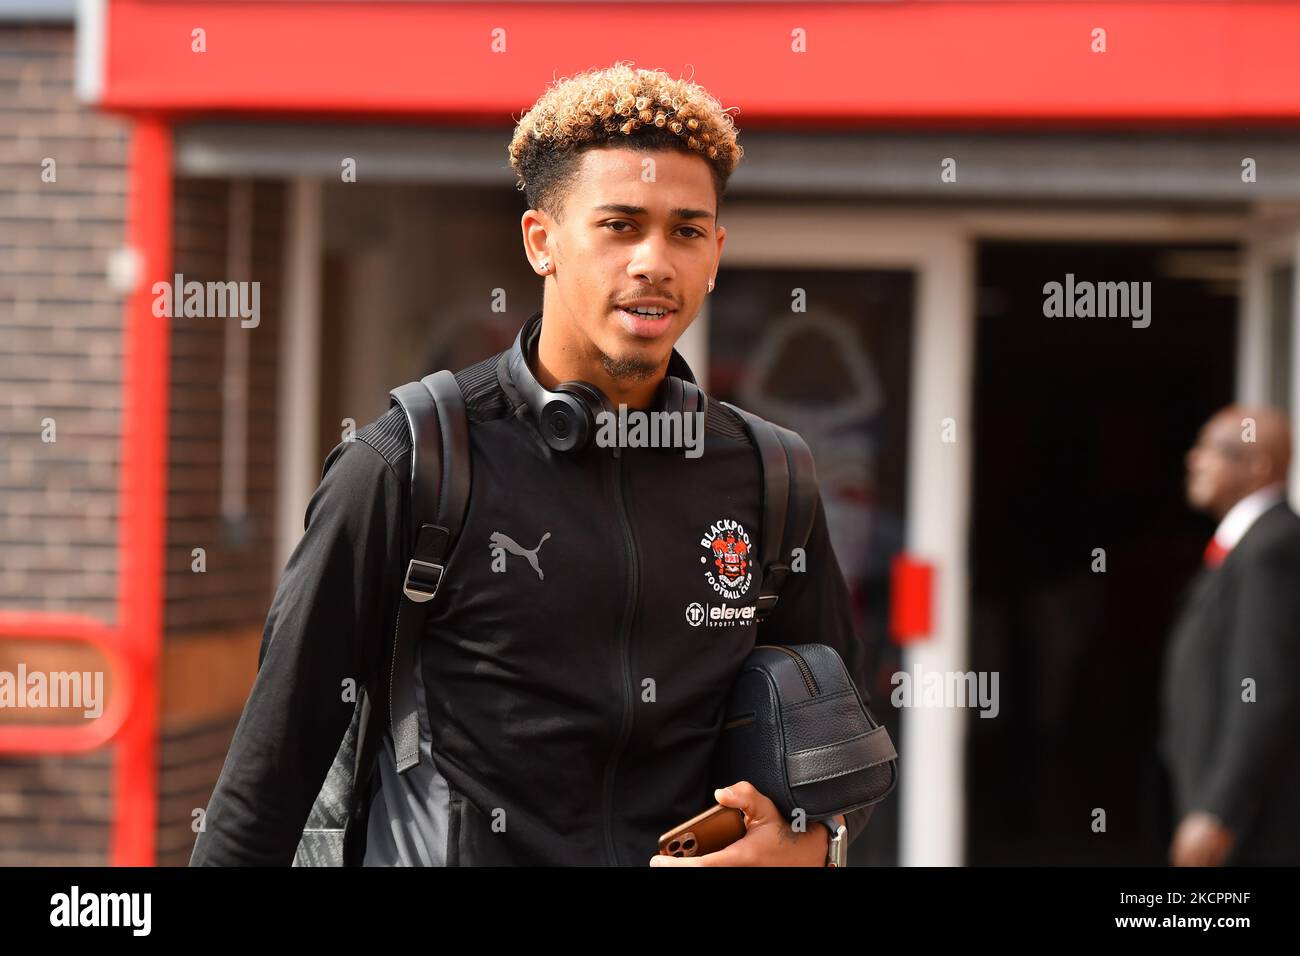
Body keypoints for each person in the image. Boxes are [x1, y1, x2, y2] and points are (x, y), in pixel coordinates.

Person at [190, 63, 880, 867]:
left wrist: (815, 845)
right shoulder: (409, 464)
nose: (655, 261)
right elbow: (265, 785)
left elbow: (843, 738)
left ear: (716, 253)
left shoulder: (771, 477)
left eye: (686, 231)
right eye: (620, 225)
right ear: (542, 242)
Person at [1159, 404, 1300, 866]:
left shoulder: (1269, 549)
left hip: (1251, 827)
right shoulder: (1248, 544)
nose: (1194, 459)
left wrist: (1219, 811)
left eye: (1211, 450)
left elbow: (1265, 690)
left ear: (1257, 466)